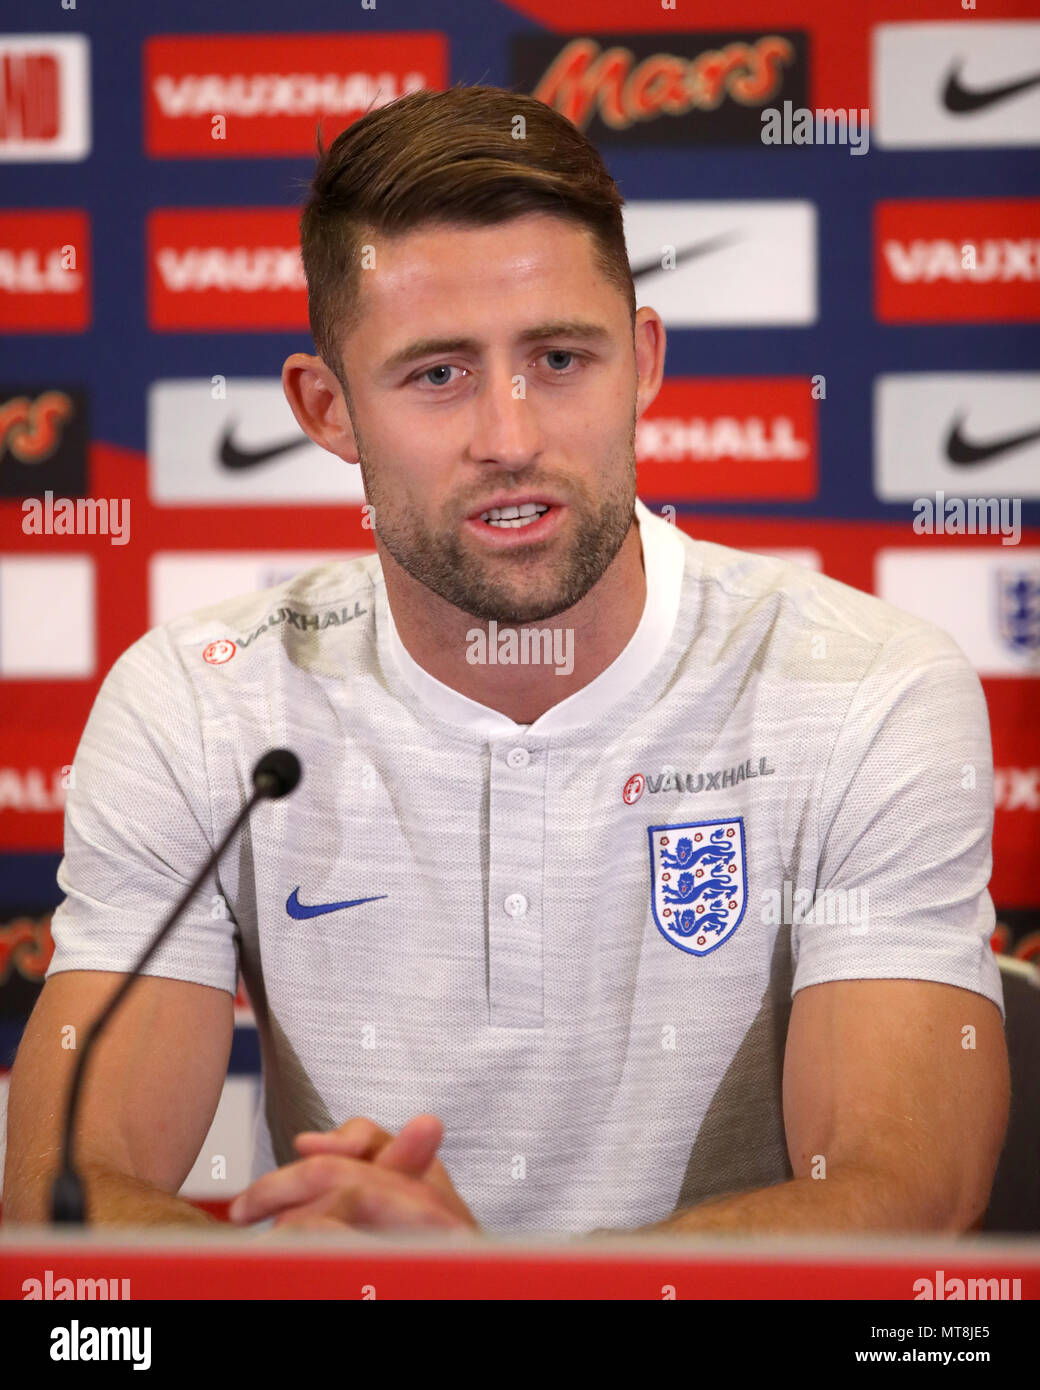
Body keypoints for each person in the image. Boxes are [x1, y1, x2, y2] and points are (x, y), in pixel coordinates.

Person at [3, 84, 1008, 1238]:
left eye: (561, 358)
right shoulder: (202, 699)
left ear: (641, 363)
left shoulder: (866, 685)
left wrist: (483, 1293)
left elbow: (900, 1191)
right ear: (327, 410)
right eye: (438, 374)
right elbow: (63, 1189)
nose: (512, 436)